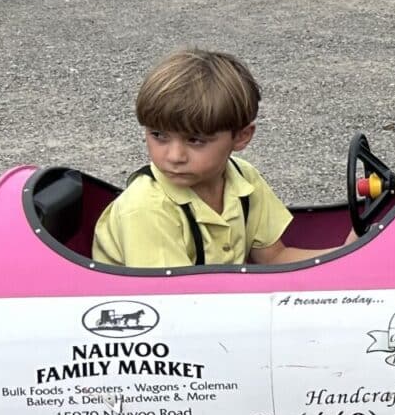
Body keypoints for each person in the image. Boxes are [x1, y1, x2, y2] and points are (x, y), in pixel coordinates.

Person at [92, 48, 346, 268]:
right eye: (159, 135)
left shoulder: (243, 178)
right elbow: (173, 302)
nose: (174, 156)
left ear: (241, 137)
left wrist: (349, 254)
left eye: (195, 140)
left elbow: (274, 258)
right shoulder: (146, 207)